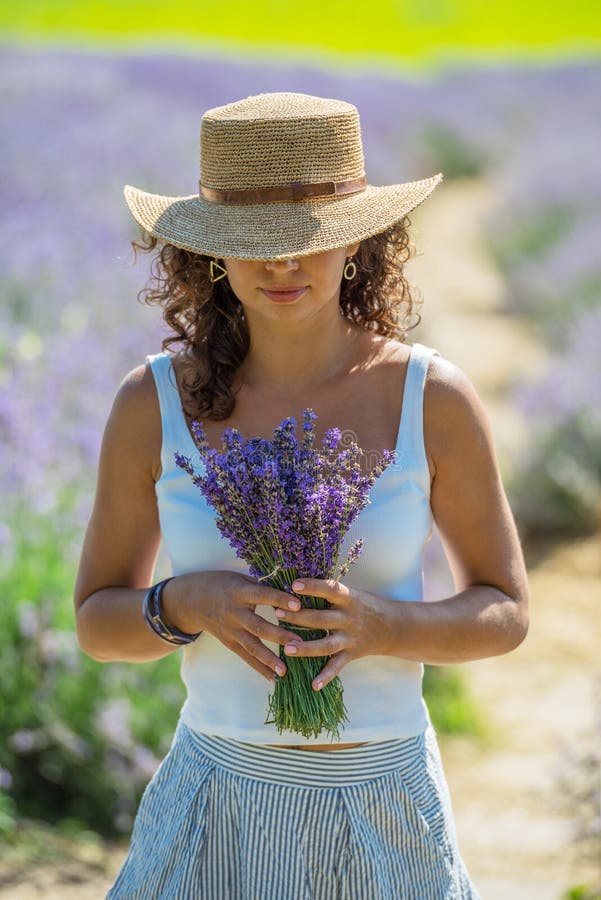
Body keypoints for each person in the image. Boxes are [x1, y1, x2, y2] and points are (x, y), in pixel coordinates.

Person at [74, 92, 529, 899]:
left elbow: (504, 609)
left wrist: (387, 626)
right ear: (210, 253)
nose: (280, 265)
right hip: (216, 802)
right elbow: (96, 622)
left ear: (356, 241)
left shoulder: (433, 398)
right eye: (251, 243)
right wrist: (186, 602)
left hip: (383, 805)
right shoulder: (151, 403)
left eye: (305, 241)